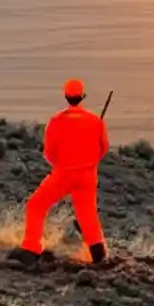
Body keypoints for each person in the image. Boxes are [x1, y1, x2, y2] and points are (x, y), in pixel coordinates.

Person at [8, 78, 109, 266]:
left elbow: (49, 151)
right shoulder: (95, 121)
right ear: (82, 96)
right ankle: (99, 256)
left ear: (66, 96)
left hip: (63, 174)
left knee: (36, 205)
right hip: (87, 176)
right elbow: (103, 148)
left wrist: (62, 165)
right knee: (87, 215)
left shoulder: (56, 121)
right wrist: (88, 163)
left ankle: (30, 249)